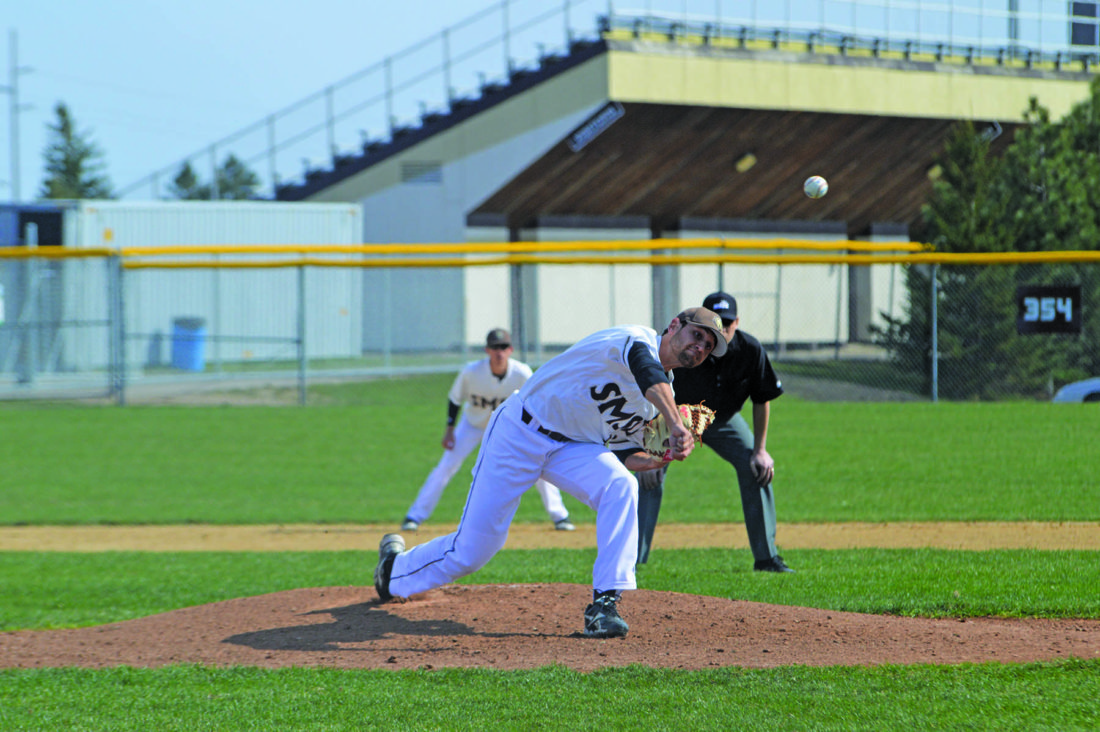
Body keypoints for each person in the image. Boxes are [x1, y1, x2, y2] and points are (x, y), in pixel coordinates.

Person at [374, 308, 728, 638]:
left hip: (572, 448)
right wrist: (672, 420)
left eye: (707, 346)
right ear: (674, 326)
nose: (700, 348)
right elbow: (646, 370)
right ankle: (393, 573)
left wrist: (652, 460)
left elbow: (622, 451)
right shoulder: (634, 339)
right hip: (520, 431)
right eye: (697, 336)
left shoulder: (653, 403)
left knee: (621, 485)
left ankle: (604, 604)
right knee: (475, 550)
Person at [636, 292, 792, 573]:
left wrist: (760, 450)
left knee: (755, 466)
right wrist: (651, 451)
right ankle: (634, 560)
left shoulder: (751, 350)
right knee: (649, 473)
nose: (724, 328)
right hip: (674, 416)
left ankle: (767, 558)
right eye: (717, 322)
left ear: (737, 322)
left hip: (722, 421)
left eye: (729, 323)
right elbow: (652, 390)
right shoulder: (682, 344)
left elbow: (762, 398)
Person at [400, 328, 575, 533]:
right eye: (494, 347)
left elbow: (536, 403)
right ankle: (415, 516)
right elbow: (455, 399)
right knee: (446, 466)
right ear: (487, 350)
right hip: (473, 425)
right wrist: (449, 429)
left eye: (503, 347)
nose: (498, 352)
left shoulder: (521, 373)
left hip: (508, 428)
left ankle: (560, 516)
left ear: (510, 350)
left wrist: (535, 434)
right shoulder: (471, 372)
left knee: (536, 464)